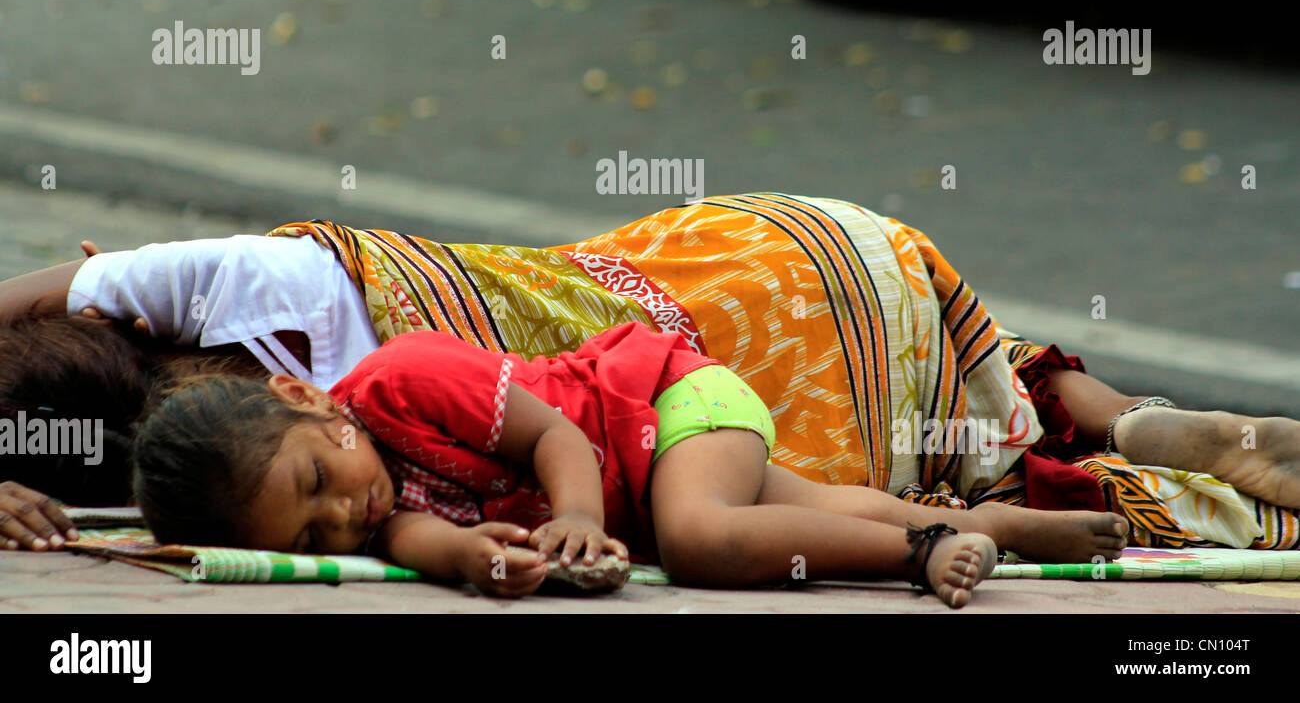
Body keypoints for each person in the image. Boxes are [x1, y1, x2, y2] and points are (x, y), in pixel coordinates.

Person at [3, 192, 1299, 556]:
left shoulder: (340, 404)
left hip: (725, 363)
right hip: (775, 253)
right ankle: (1137, 416)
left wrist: (565, 521)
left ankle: (1077, 467)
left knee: (767, 501)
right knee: (975, 404)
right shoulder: (207, 289)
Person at [131, 320, 1130, 607]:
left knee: (701, 538)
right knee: (815, 509)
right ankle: (993, 526)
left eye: (317, 482)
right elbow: (425, 543)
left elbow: (556, 437)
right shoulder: (377, 510)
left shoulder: (397, 379)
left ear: (308, 400)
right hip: (658, 473)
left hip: (667, 398)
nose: (344, 517)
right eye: (311, 535)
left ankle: (920, 551)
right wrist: (488, 566)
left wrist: (571, 514)